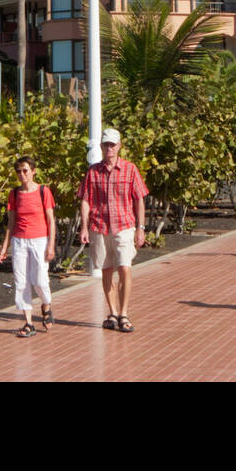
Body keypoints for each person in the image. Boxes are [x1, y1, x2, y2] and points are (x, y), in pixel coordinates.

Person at [78, 128, 148, 333]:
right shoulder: (93, 172)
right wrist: (84, 226)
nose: (109, 148)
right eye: (106, 144)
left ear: (119, 146)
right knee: (107, 269)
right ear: (101, 146)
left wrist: (141, 228)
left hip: (124, 226)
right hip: (99, 227)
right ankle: (112, 312)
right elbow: (85, 200)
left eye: (112, 144)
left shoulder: (130, 169)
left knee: (125, 268)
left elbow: (139, 199)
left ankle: (124, 313)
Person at [0, 156, 56, 337]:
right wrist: (4, 246)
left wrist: (51, 246)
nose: (22, 174)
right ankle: (28, 322)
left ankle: (46, 305)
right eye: (18, 171)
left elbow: (51, 221)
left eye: (25, 170)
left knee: (39, 280)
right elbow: (11, 222)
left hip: (39, 240)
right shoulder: (14, 194)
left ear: (33, 171)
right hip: (19, 241)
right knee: (21, 282)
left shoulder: (43, 191)